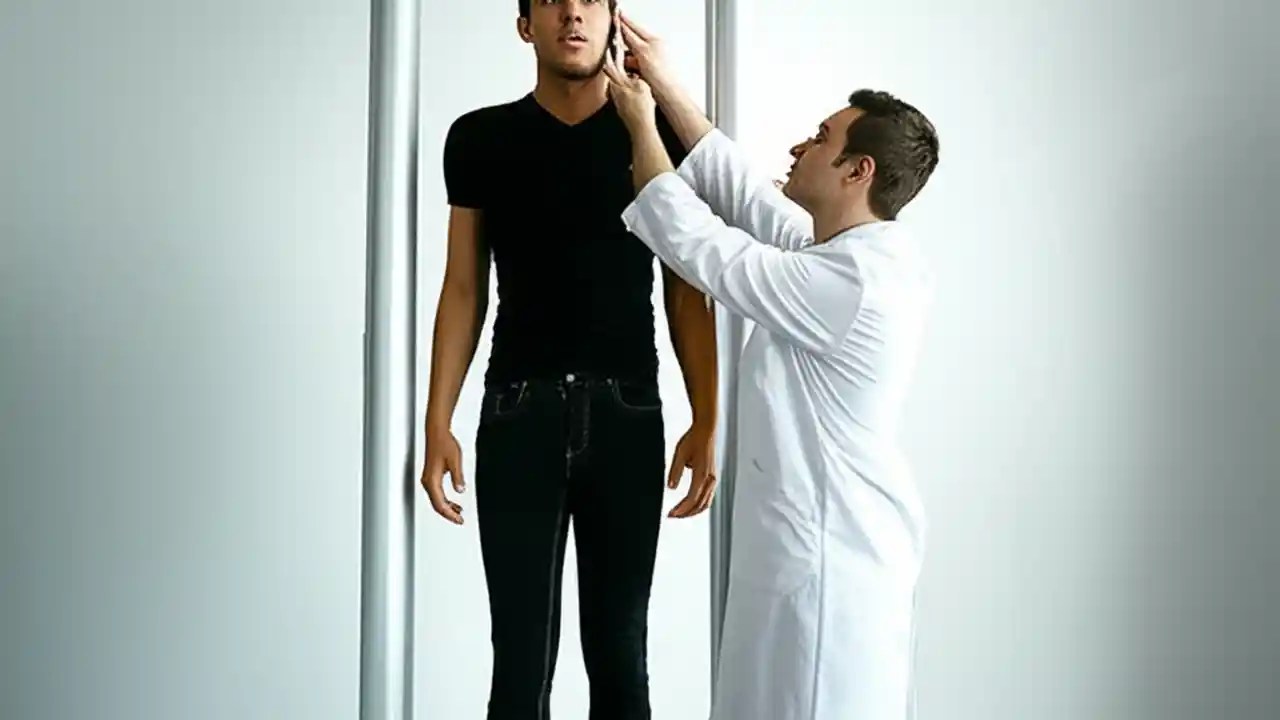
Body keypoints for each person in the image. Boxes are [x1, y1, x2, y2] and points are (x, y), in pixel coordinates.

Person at [603, 10, 940, 719]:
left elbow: (704, 247)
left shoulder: (851, 284)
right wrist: (663, 80)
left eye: (821, 139)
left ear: (858, 170)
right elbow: (746, 198)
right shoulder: (847, 254)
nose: (799, 146)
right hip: (809, 559)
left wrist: (639, 124)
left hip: (828, 573)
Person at [417, 1, 719, 719]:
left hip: (627, 413)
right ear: (526, 25)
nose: (572, 13)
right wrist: (437, 421)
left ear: (613, 20)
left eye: (589, 0)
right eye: (552, 0)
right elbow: (464, 287)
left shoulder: (652, 133)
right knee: (520, 663)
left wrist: (707, 417)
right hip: (520, 410)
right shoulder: (481, 137)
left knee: (620, 657)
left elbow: (686, 289)